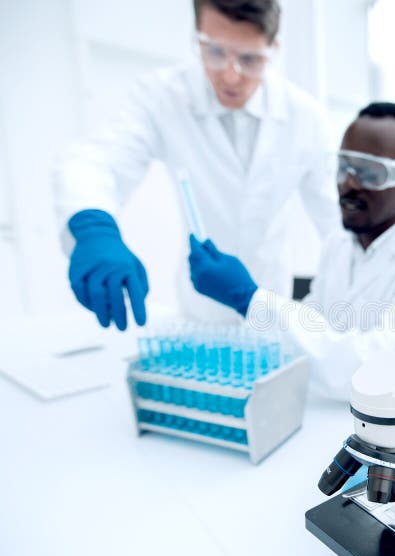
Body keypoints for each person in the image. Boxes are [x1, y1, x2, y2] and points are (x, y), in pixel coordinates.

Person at [54, 0, 337, 330]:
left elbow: (339, 222)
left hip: (269, 307)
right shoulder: (164, 95)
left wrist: (333, 311)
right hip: (199, 312)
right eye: (215, 52)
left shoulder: (305, 117)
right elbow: (96, 161)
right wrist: (94, 229)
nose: (231, 75)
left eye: (250, 59)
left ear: (273, 49)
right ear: (198, 37)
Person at [189, 102, 395, 399]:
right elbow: (312, 322)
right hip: (332, 412)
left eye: (371, 174)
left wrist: (250, 299)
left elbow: (379, 369)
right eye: (344, 167)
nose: (349, 183)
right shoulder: (340, 242)